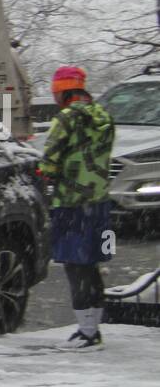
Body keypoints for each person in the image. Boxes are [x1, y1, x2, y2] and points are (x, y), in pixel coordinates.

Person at [37, 65, 116, 349]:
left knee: (74, 266)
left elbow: (49, 163)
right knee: (91, 265)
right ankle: (92, 326)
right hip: (99, 202)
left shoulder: (66, 119)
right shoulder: (104, 116)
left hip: (71, 203)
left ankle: (86, 333)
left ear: (62, 92)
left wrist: (44, 173)